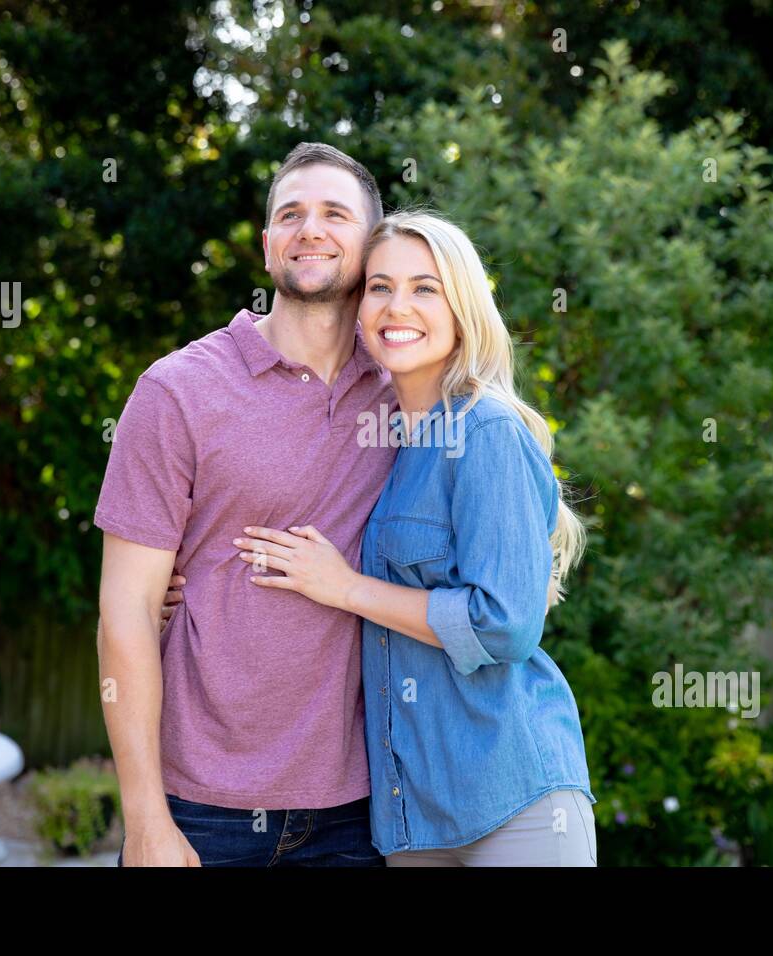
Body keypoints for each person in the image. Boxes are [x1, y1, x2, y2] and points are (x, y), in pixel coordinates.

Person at [226, 210, 598, 865]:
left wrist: (345, 587)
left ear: (462, 309)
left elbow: (504, 625)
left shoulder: (486, 432)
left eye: (426, 288)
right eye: (380, 286)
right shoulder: (378, 442)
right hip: (411, 816)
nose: (399, 306)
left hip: (512, 799)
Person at [95, 142, 396, 866]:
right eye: (290, 214)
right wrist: (145, 820)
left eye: (334, 213)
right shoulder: (178, 391)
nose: (310, 229)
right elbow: (126, 610)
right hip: (202, 807)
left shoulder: (405, 393)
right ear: (267, 248)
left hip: (360, 809)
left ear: (370, 244)